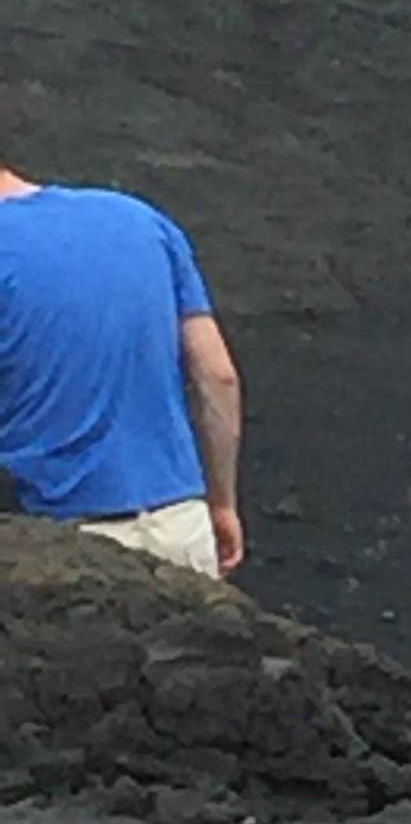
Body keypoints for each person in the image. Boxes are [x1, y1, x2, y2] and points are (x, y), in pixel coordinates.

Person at [0, 167, 243, 578]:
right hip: (181, 528)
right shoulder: (140, 219)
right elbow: (218, 376)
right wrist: (222, 504)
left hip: (57, 553)